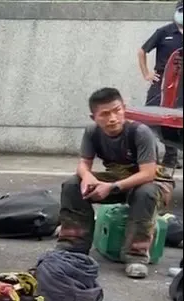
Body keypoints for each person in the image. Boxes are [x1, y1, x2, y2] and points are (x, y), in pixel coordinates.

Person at [54, 87, 175, 280]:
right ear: (94, 117)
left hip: (153, 183)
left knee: (145, 193)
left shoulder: (140, 132)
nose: (112, 118)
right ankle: (73, 245)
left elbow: (148, 173)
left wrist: (111, 187)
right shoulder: (92, 132)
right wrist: (87, 177)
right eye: (105, 114)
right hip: (117, 178)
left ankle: (136, 256)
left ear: (124, 108)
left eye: (117, 110)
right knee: (72, 184)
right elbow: (83, 163)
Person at [137, 1, 182, 166]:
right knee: (151, 118)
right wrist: (147, 74)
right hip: (163, 81)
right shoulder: (164, 32)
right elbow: (142, 51)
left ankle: (171, 158)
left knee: (176, 120)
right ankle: (149, 157)